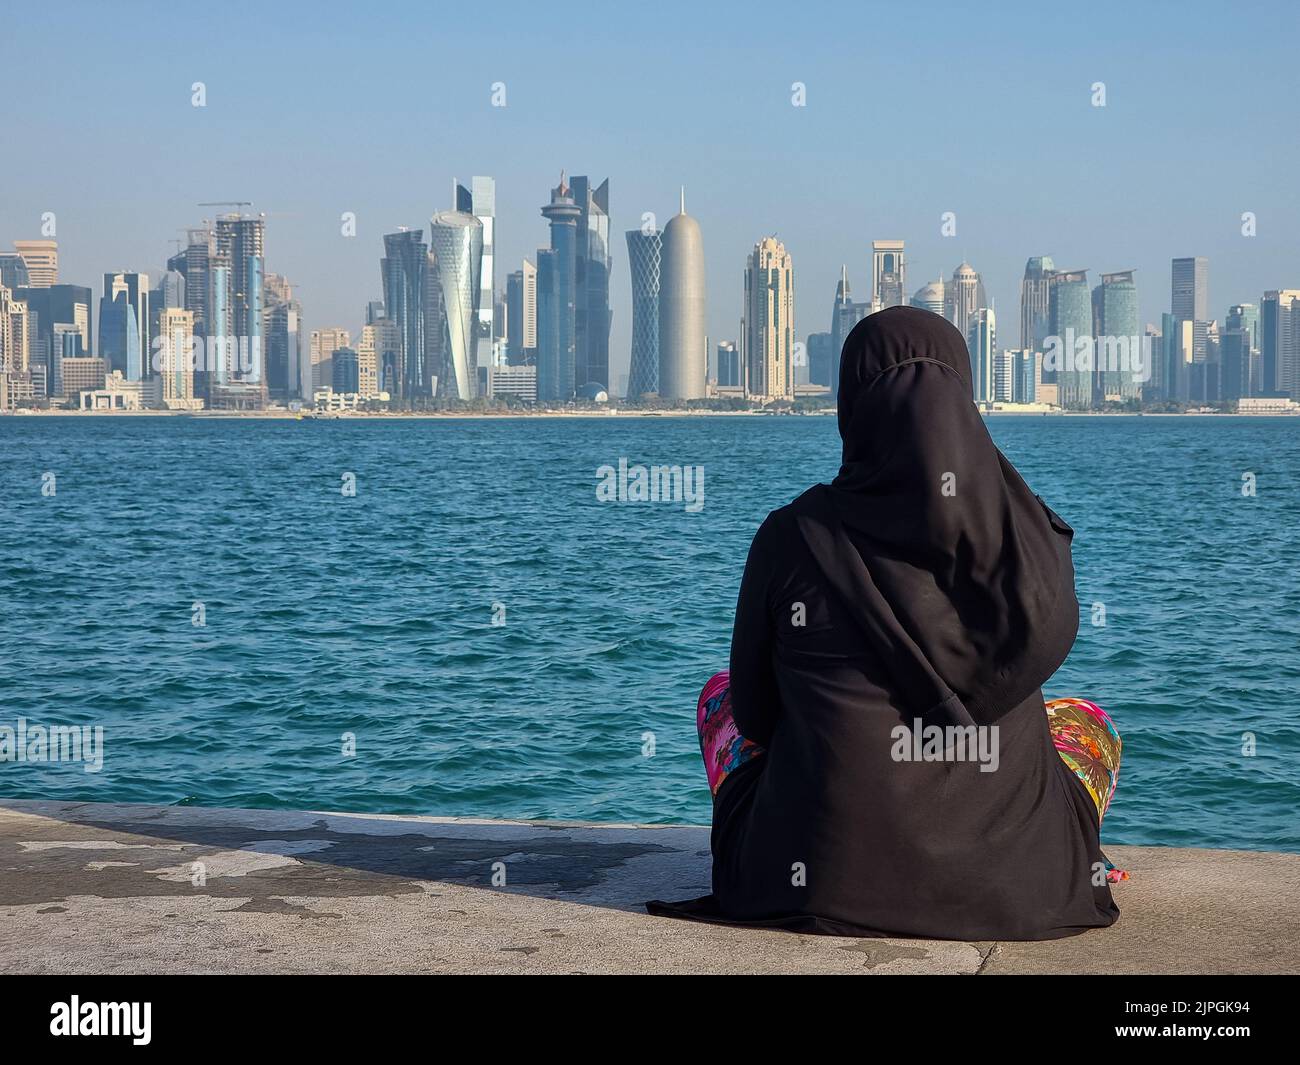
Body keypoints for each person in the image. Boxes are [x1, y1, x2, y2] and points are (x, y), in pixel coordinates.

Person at [648, 306, 1124, 941]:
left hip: (812, 878)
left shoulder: (792, 536)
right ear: (965, 395)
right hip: (1019, 889)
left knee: (720, 697)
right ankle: (1070, 860)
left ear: (851, 405)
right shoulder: (1028, 538)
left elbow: (757, 719)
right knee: (1086, 721)